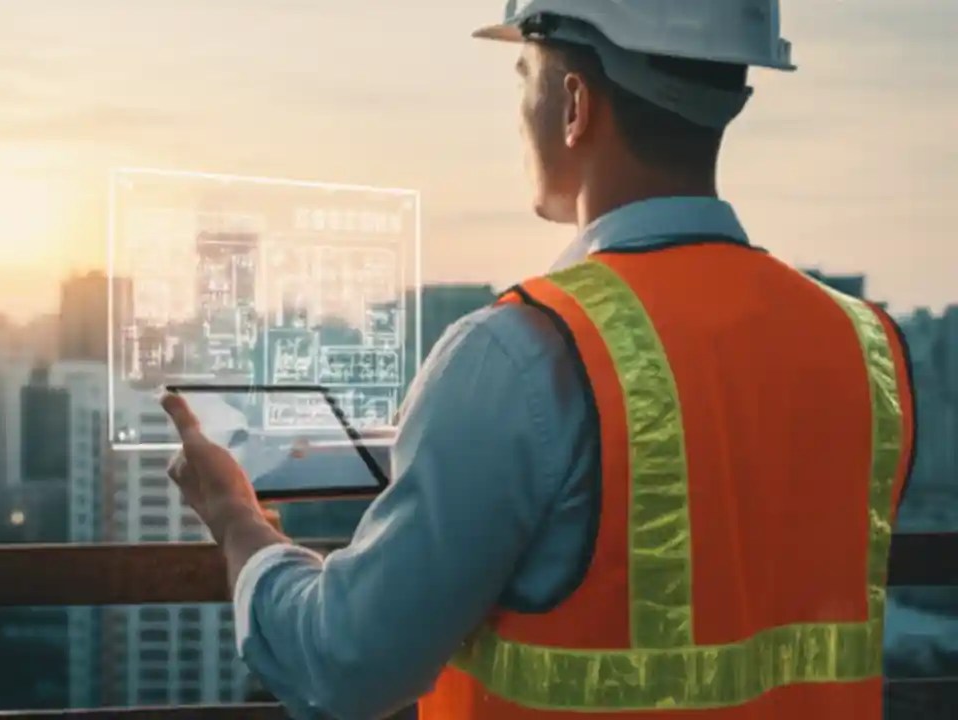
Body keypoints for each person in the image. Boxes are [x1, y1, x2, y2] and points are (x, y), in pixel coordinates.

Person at [162, 1, 918, 718]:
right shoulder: (866, 346)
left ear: (575, 104)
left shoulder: (522, 354)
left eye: (524, 76)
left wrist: (236, 521)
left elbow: (344, 665)